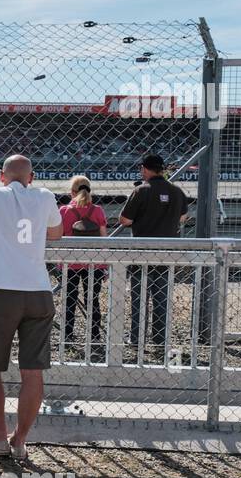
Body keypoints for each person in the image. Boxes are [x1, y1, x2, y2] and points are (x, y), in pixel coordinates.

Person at [0, 155, 63, 461]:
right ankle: (20, 441)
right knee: (33, 372)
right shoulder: (44, 196)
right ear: (31, 177)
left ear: (1, 176)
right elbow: (56, 233)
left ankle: (0, 438)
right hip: (39, 292)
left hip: (2, 292)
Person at [119, 154, 189, 349]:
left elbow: (124, 220)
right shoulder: (176, 191)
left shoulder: (141, 190)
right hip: (166, 252)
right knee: (161, 298)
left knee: (139, 298)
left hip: (141, 252)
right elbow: (183, 217)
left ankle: (137, 338)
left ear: (144, 169)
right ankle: (160, 340)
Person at [59, 175, 108, 360]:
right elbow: (104, 239)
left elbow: (59, 235)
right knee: (92, 299)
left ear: (71, 192)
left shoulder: (64, 210)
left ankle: (67, 334)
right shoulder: (97, 210)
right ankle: (94, 335)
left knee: (70, 299)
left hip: (70, 262)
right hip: (93, 261)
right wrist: (104, 264)